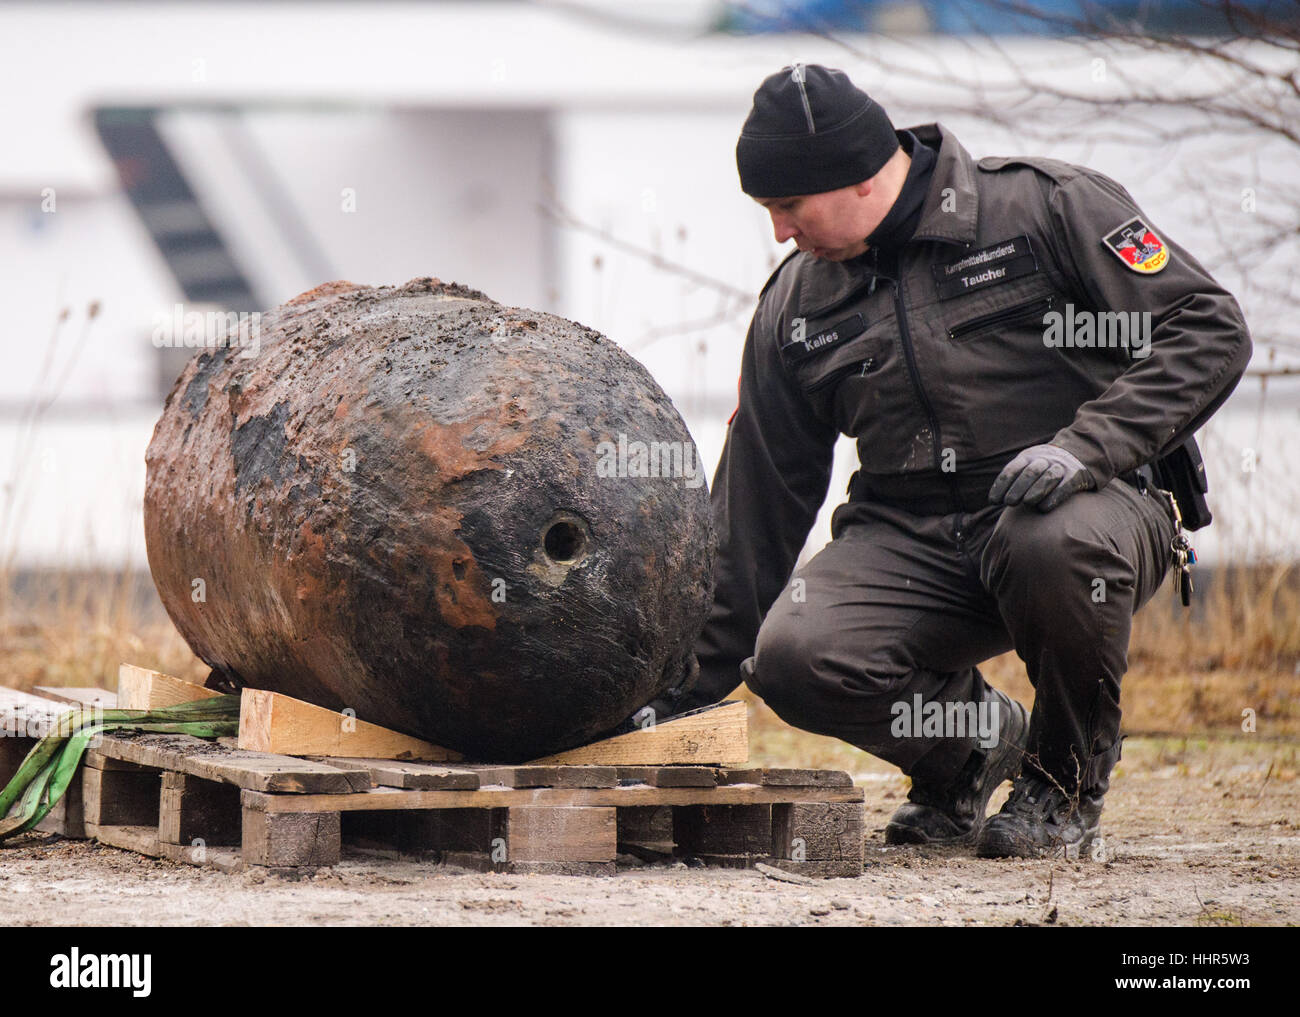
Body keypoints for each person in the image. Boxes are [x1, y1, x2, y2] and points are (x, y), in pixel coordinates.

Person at [648, 63, 1252, 859]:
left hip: (1088, 510)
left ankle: (1062, 788)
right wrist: (675, 692)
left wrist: (1085, 448)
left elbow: (1208, 327)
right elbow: (756, 507)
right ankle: (967, 751)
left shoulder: (1044, 207)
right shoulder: (797, 305)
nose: (779, 233)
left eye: (786, 207)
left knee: (1054, 540)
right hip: (913, 538)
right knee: (795, 653)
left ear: (857, 177)